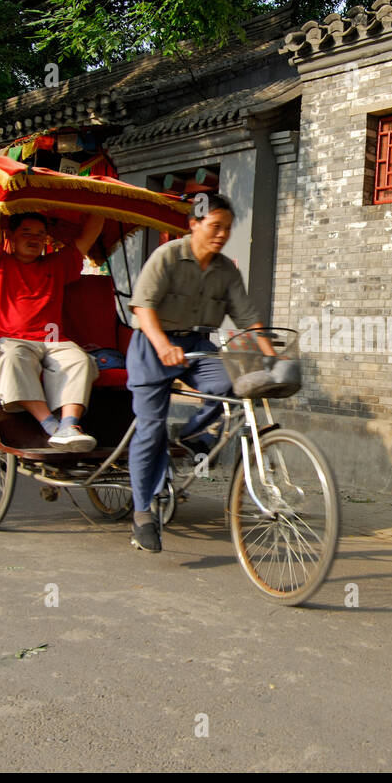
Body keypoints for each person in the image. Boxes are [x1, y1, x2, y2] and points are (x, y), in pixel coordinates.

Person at [126, 193, 264, 552]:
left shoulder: (226, 269)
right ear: (193, 224)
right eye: (215, 226)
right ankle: (142, 512)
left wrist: (271, 356)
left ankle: (189, 437)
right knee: (150, 428)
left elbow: (248, 318)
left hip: (197, 345)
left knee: (236, 384)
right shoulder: (167, 256)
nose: (221, 234)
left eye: (227, 229)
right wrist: (161, 346)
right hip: (152, 344)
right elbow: (143, 307)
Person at [0, 210, 103, 451]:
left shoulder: (56, 264)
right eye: (26, 233)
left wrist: (102, 201)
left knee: (79, 360)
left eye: (40, 234)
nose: (34, 239)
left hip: (53, 340)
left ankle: (69, 425)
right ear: (10, 236)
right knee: (13, 359)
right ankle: (50, 424)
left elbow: (89, 235)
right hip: (10, 339)